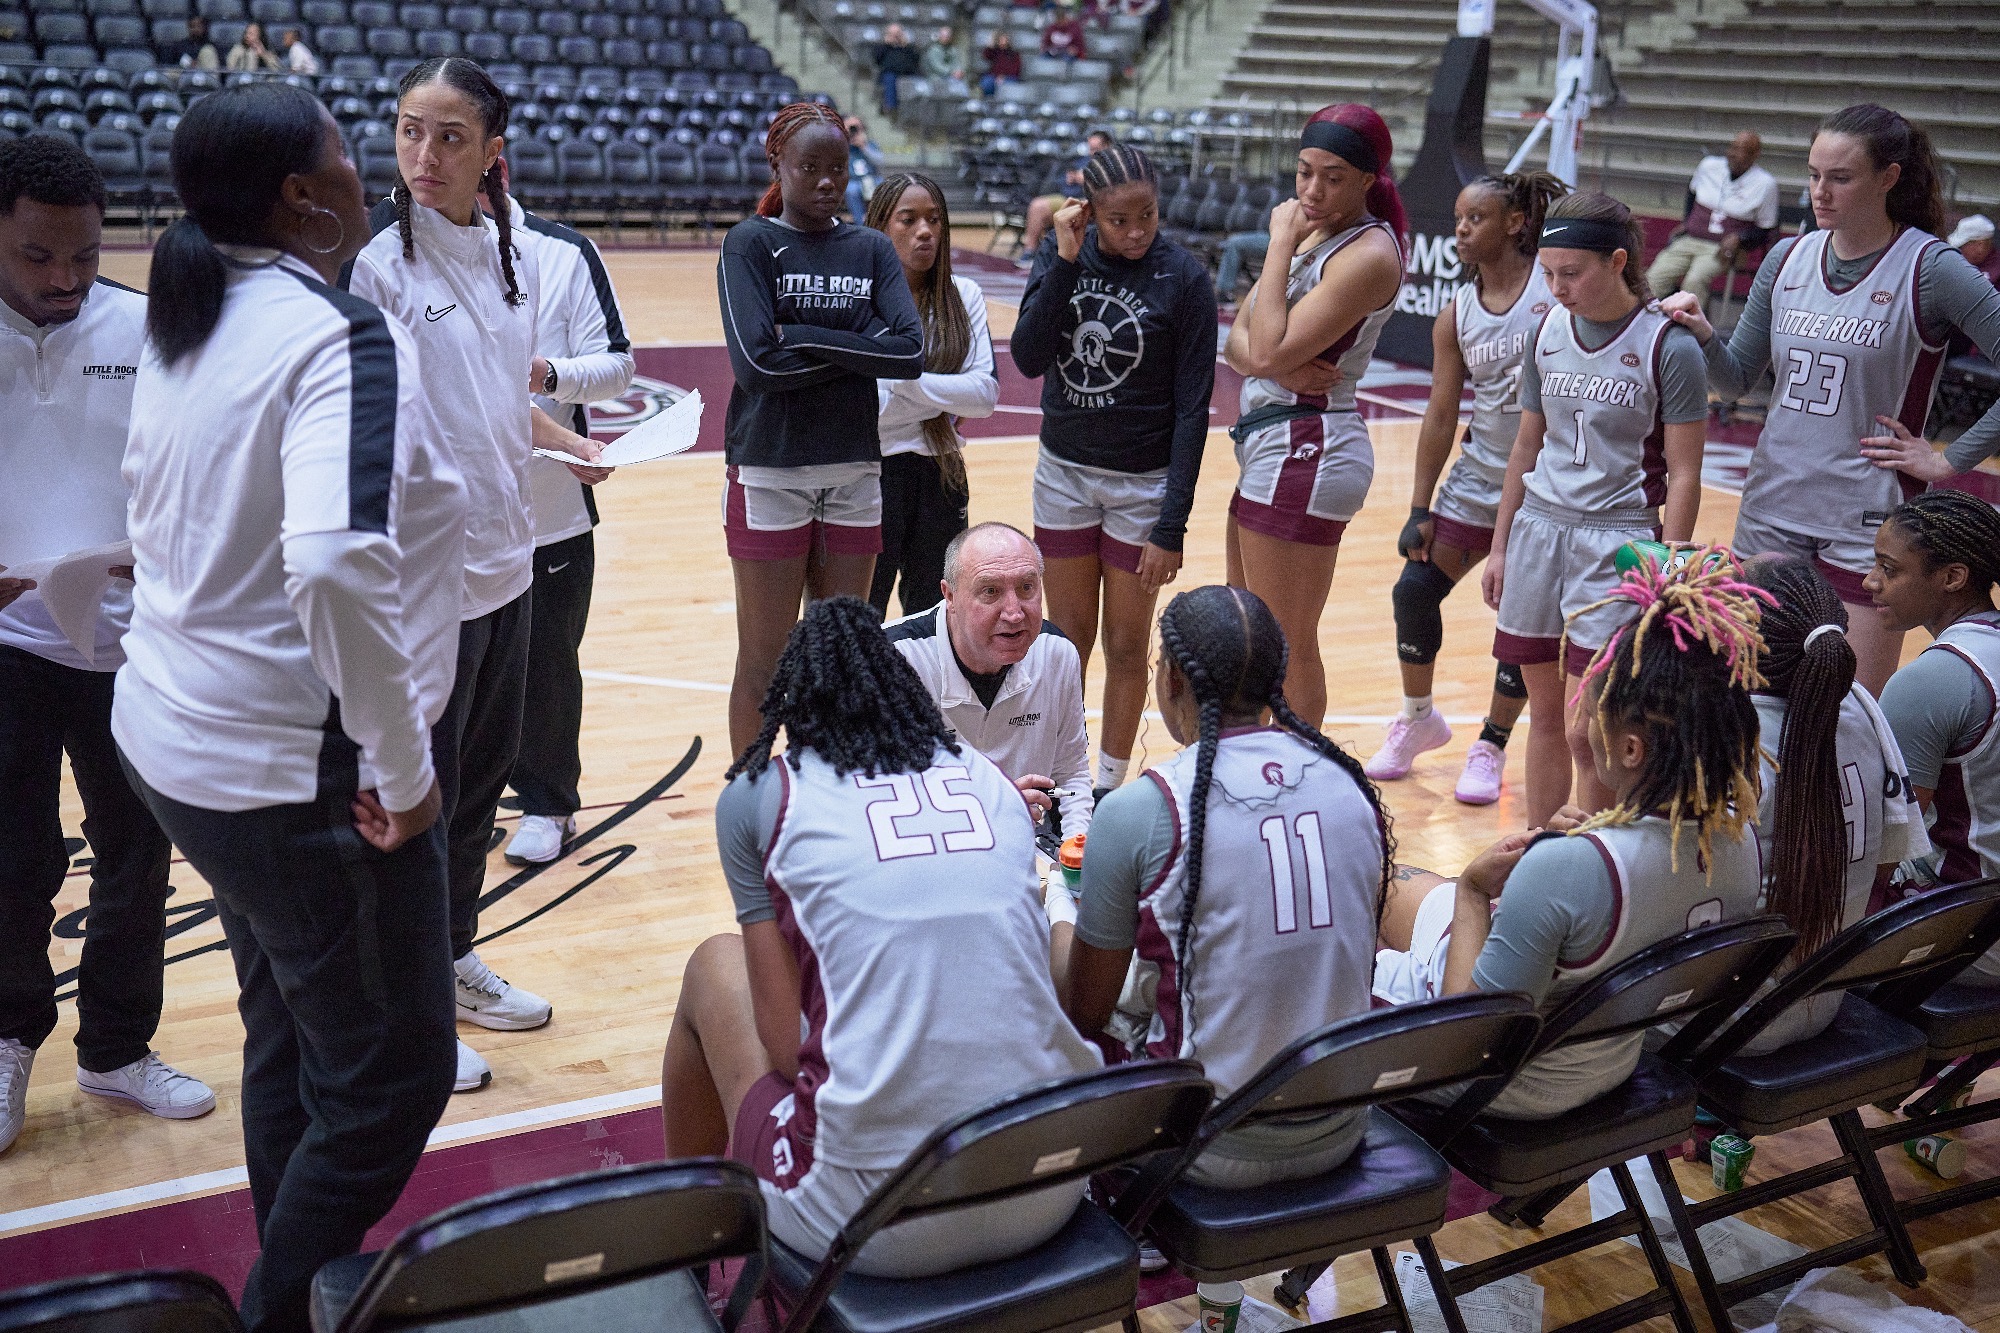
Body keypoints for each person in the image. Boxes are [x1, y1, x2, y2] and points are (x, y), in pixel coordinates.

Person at [116, 82, 463, 1330]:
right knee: (394, 1079)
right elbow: (332, 561)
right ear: (303, 198)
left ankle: (301, 1282)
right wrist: (406, 768)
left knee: (290, 1031)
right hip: (282, 768)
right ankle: (275, 1310)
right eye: (340, 154)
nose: (363, 168)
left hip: (169, 736)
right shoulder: (332, 336)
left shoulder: (187, 304)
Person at [661, 596, 1100, 1274]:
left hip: (874, 1225)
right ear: (901, 687)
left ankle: (683, 1261)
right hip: (1051, 1184)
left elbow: (784, 1050)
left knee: (713, 965)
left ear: (792, 699)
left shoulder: (759, 797)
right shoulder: (986, 779)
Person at [346, 57, 607, 1093]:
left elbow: (494, 394)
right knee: (421, 802)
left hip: (510, 567)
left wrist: (558, 439)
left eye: (449, 138)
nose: (423, 156)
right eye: (411, 131)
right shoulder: (375, 266)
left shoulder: (511, 251)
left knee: (476, 797)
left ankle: (448, 961)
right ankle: (405, 1014)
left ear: (492, 154)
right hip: (426, 589)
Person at [1376, 553, 1766, 1117]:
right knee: (1393, 882)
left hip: (1504, 1087)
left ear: (1631, 748)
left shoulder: (1569, 869)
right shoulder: (1738, 843)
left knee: (1327, 950)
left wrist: (1474, 892)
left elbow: (1466, 1044)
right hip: (1605, 1063)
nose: (1581, 719)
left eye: (1595, 704)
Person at [0, 136, 210, 1158]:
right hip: (8, 641)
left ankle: (118, 1048)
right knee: (12, 856)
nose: (65, 279)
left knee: (138, 857)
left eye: (83, 255)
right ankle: (5, 1040)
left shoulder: (146, 325)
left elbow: (199, 473)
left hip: (137, 640)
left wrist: (154, 550)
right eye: (40, 256)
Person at [1050, 585, 1392, 1183]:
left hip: (1203, 1151)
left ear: (1173, 680)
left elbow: (1083, 1012)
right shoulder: (1349, 784)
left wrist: (1055, 903)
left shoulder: (1141, 809)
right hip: (1341, 1128)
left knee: (1029, 982)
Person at [1662, 104, 2000, 695]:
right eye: (1814, 174)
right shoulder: (1786, 257)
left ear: (1888, 178)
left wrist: (1949, 459)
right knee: (1753, 704)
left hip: (1866, 521)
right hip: (1772, 503)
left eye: (1840, 178)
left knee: (1850, 719)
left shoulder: (1930, 267)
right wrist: (1704, 335)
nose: (1820, 191)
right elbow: (1739, 378)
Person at [1483, 190, 1708, 825]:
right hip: (1538, 530)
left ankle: (1594, 866)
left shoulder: (1670, 345)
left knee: (1595, 729)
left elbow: (1687, 470)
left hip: (1617, 542)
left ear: (1617, 262)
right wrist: (1500, 546)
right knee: (1546, 718)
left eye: (1570, 273)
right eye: (1547, 273)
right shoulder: (1546, 330)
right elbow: (1526, 444)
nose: (1556, 288)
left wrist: (1672, 563)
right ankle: (1537, 858)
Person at [716, 101, 925, 755]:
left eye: (839, 168)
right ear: (780, 162)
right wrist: (853, 341)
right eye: (812, 167)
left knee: (838, 655)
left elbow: (909, 352)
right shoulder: (751, 243)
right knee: (766, 658)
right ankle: (753, 806)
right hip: (770, 470)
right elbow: (756, 365)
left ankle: (825, 799)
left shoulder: (869, 248)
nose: (829, 181)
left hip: (855, 471)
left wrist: (801, 334)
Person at [1011, 144, 1216, 801]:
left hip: (1142, 488)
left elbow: (1193, 409)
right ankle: (1060, 786)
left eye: (1147, 217)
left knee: (1128, 645)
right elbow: (1027, 354)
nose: (1133, 233)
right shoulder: (1062, 253)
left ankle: (1105, 790)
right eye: (1118, 220)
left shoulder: (1183, 278)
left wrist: (1172, 523)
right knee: (1066, 645)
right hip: (1064, 473)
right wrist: (1066, 260)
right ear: (1087, 213)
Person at [1363, 171, 1567, 802]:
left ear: (1514, 223)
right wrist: (1420, 505)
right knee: (1414, 591)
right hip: (1478, 476)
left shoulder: (1553, 289)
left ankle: (1492, 745)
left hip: (1545, 482)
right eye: (1456, 219)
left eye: (1475, 218)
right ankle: (1420, 719)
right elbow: (1442, 413)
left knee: (1521, 618)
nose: (1459, 229)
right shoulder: (1456, 314)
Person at [1223, 104, 1405, 731]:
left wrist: (1279, 243)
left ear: (1367, 181)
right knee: (1248, 623)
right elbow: (1238, 342)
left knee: (1285, 638)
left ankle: (1301, 777)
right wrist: (1272, 363)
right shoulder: (1315, 233)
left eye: (1332, 177)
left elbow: (1263, 346)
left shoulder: (1369, 253)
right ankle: (1254, 762)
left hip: (1310, 443)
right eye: (1304, 173)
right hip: (1275, 437)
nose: (1312, 191)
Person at [494, 167, 634, 867]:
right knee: (454, 667)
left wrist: (550, 376)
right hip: (443, 513)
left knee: (547, 663)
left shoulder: (564, 252)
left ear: (497, 162)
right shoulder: (399, 255)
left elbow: (618, 364)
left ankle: (549, 801)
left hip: (550, 507)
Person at [1734, 557, 1927, 1053]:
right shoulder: (1863, 704)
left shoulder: (1726, 736)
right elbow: (1887, 865)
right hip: (1822, 1002)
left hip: (1726, 1022)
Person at [885, 523, 1091, 837]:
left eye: (1026, 587)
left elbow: (1072, 775)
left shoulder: (1057, 653)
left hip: (1025, 842)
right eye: (990, 591)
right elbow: (876, 798)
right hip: (924, 847)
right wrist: (991, 808)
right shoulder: (893, 660)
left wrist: (1077, 848)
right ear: (950, 595)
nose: (1014, 613)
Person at [1871, 491, 2000, 986]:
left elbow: (1883, 845)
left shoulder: (1931, 680)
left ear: (1951, 577)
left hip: (1971, 935)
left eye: (1889, 569)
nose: (1870, 582)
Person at [863, 171, 996, 619]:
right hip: (870, 474)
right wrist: (945, 392)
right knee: (864, 612)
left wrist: (902, 379)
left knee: (936, 617)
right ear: (879, 227)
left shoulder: (964, 295)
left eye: (934, 219)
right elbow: (869, 412)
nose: (925, 231)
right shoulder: (860, 301)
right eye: (909, 219)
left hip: (942, 473)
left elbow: (983, 396)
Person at [1644, 131, 1779, 300]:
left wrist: (1741, 238)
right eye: (1732, 147)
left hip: (1721, 248)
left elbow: (1766, 230)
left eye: (1741, 150)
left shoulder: (1766, 184)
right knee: (1654, 278)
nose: (1733, 154)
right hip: (1690, 239)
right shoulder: (1709, 166)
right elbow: (1692, 194)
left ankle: (1691, 324)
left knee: (1694, 280)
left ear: (1754, 155)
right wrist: (1688, 221)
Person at [1021, 128, 1112, 257]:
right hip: (1071, 198)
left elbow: (1113, 190)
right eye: (1090, 149)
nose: (1092, 153)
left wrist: (1088, 181)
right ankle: (1030, 251)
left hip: (1095, 205)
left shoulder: (1113, 164)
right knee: (1037, 205)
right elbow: (1063, 182)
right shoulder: (1082, 161)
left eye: (1096, 149)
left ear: (1107, 146)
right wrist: (1071, 178)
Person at [841, 115, 882, 224]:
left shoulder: (870, 144)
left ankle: (877, 221)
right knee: (852, 190)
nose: (853, 131)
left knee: (881, 187)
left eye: (856, 127)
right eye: (850, 128)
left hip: (871, 178)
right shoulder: (841, 145)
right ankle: (861, 223)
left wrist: (864, 146)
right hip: (852, 180)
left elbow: (879, 161)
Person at [872, 23, 919, 113]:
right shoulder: (882, 47)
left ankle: (914, 110)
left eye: (898, 33)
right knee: (890, 78)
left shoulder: (908, 48)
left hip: (907, 73)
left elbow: (916, 59)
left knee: (918, 81)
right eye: (893, 34)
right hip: (890, 73)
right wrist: (886, 45)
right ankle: (891, 108)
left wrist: (905, 46)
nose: (895, 36)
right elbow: (876, 59)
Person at [1947, 214, 1998, 284]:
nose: (1959, 252)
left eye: (1962, 246)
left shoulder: (1996, 271)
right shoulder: (1957, 265)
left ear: (1980, 245)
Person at [979, 29, 1021, 95]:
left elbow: (1016, 69)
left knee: (1009, 84)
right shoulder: (995, 51)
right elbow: (986, 56)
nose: (1003, 41)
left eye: (1005, 39)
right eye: (1001, 39)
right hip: (994, 77)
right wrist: (990, 45)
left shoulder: (1014, 54)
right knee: (987, 82)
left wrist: (1003, 77)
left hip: (1009, 78)